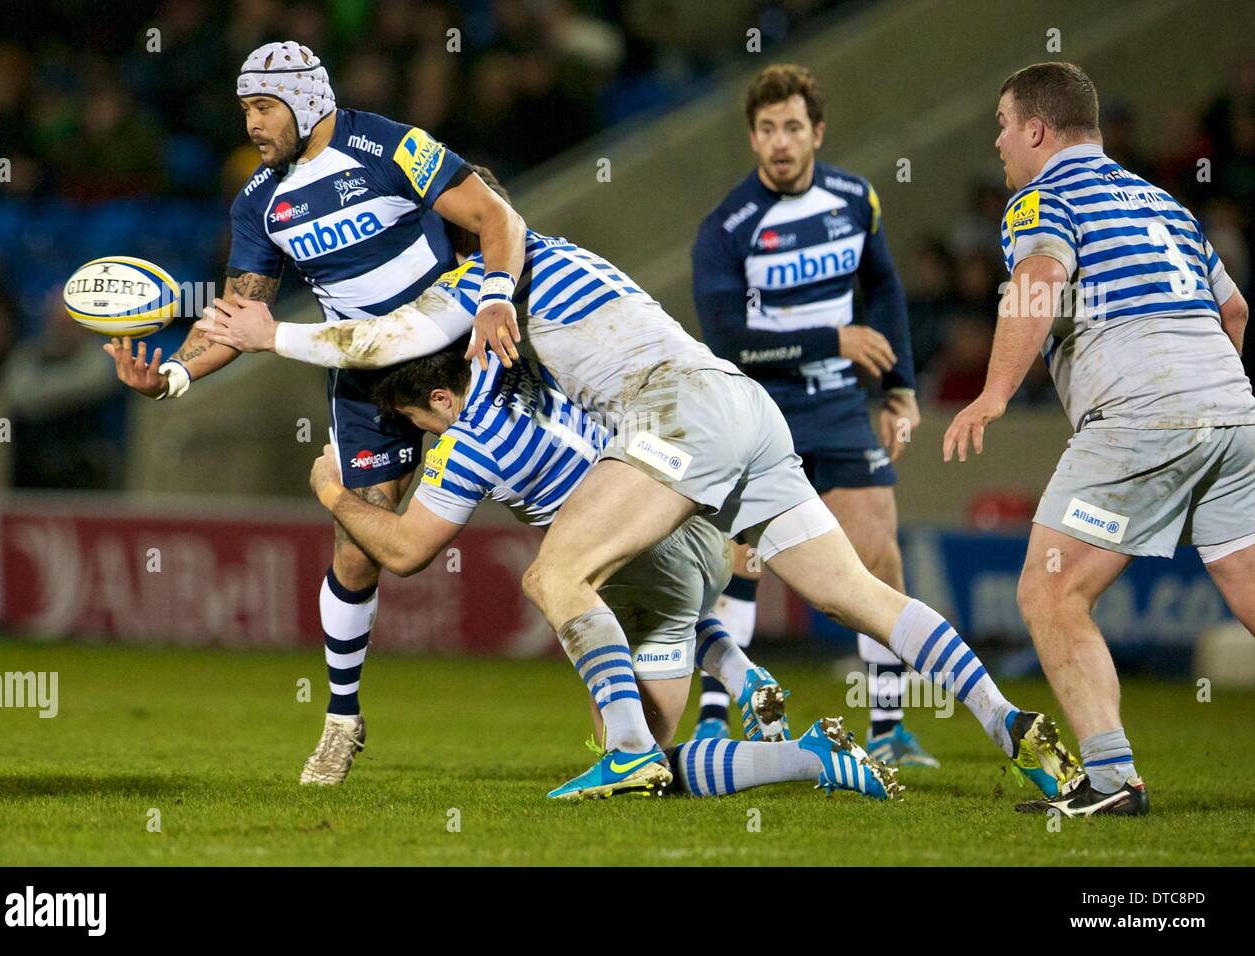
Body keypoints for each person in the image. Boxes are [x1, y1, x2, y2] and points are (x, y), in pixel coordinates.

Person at [204, 165, 1081, 802]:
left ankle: (627, 748)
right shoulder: (557, 260)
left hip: (674, 416)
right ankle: (1010, 725)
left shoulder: (480, 285)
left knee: (552, 574)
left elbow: (377, 345)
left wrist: (265, 334)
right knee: (860, 596)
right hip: (743, 407)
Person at [104, 41, 526, 785]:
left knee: (551, 498)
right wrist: (172, 374)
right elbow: (240, 314)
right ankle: (340, 720)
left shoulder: (391, 144)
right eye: (244, 111)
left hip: (458, 354)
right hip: (364, 380)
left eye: (264, 108)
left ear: (304, 100)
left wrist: (493, 296)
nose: (253, 126)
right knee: (359, 548)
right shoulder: (259, 201)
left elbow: (493, 213)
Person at [303, 340, 899, 801]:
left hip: (647, 566)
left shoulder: (465, 446)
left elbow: (407, 553)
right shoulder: (509, 358)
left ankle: (812, 756)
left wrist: (332, 493)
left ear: (440, 399)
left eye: (420, 420)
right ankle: (740, 674)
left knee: (644, 763)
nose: (427, 436)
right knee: (621, 627)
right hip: (690, 514)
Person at [945, 62, 1255, 817]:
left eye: (1004, 125)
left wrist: (992, 393)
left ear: (1038, 130)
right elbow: (1237, 310)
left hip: (1143, 412)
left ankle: (1113, 781)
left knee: (1048, 591)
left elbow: (1039, 282)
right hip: (1234, 410)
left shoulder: (1041, 198)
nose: (997, 141)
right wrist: (1207, 406)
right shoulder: (1166, 203)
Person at [691, 63, 936, 767]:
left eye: (792, 127)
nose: (779, 142)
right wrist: (834, 339)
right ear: (752, 139)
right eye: (766, 129)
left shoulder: (855, 199)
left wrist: (899, 387)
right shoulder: (728, 227)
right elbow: (728, 340)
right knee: (745, 559)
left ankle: (888, 727)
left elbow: (884, 287)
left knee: (878, 554)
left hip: (838, 405)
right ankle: (715, 719)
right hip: (761, 407)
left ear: (817, 132)